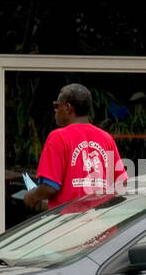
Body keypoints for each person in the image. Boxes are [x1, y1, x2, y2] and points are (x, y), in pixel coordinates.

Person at [24, 83, 127, 211]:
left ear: (68, 108)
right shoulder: (107, 139)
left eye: (57, 106)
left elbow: (49, 188)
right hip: (102, 225)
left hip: (70, 226)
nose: (55, 110)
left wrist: (32, 196)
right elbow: (120, 182)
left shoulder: (58, 137)